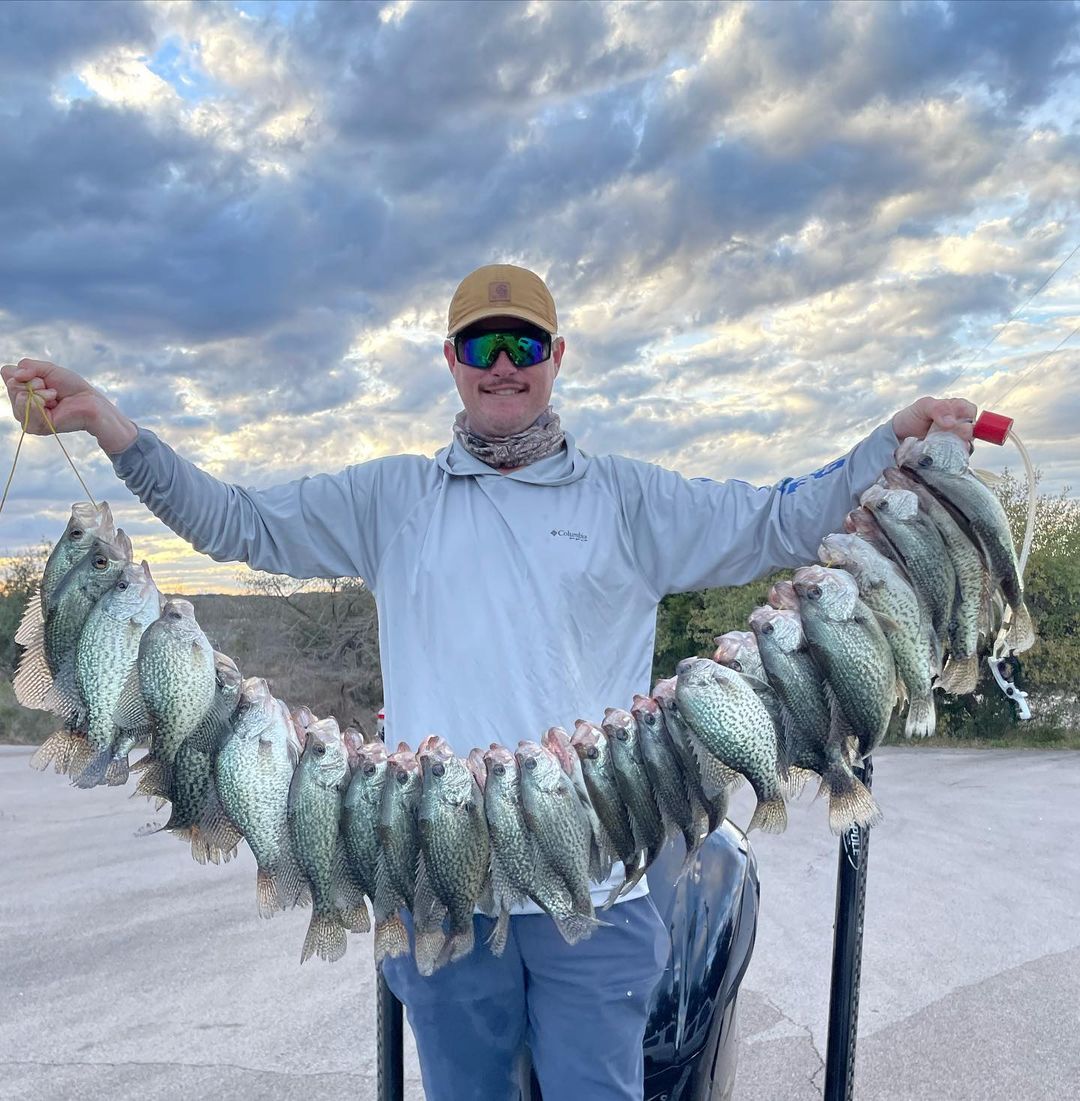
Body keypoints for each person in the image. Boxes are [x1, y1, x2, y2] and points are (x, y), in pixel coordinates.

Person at [3, 264, 976, 1101]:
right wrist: (108, 425)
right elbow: (236, 525)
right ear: (452, 363)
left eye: (523, 343)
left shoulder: (629, 499)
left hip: (599, 893)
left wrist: (886, 443)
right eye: (481, 346)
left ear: (559, 355)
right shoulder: (390, 500)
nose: (503, 364)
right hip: (444, 899)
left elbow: (783, 520)